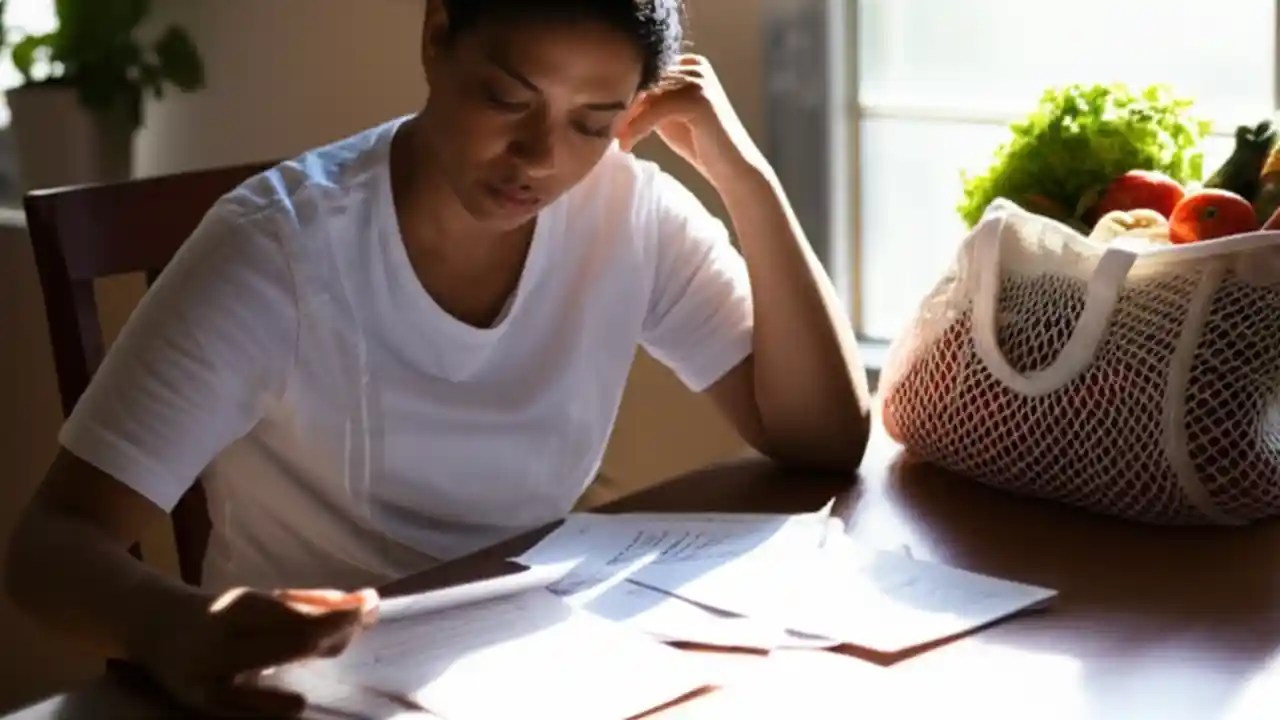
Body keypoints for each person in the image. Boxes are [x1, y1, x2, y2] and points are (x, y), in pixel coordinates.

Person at [5, 0, 871, 715]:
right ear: (435, 34)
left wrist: (743, 174)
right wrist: (179, 627)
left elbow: (824, 437)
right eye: (506, 98)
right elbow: (50, 548)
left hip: (534, 669)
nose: (539, 158)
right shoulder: (278, 248)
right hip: (323, 686)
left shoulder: (626, 211)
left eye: (591, 123)